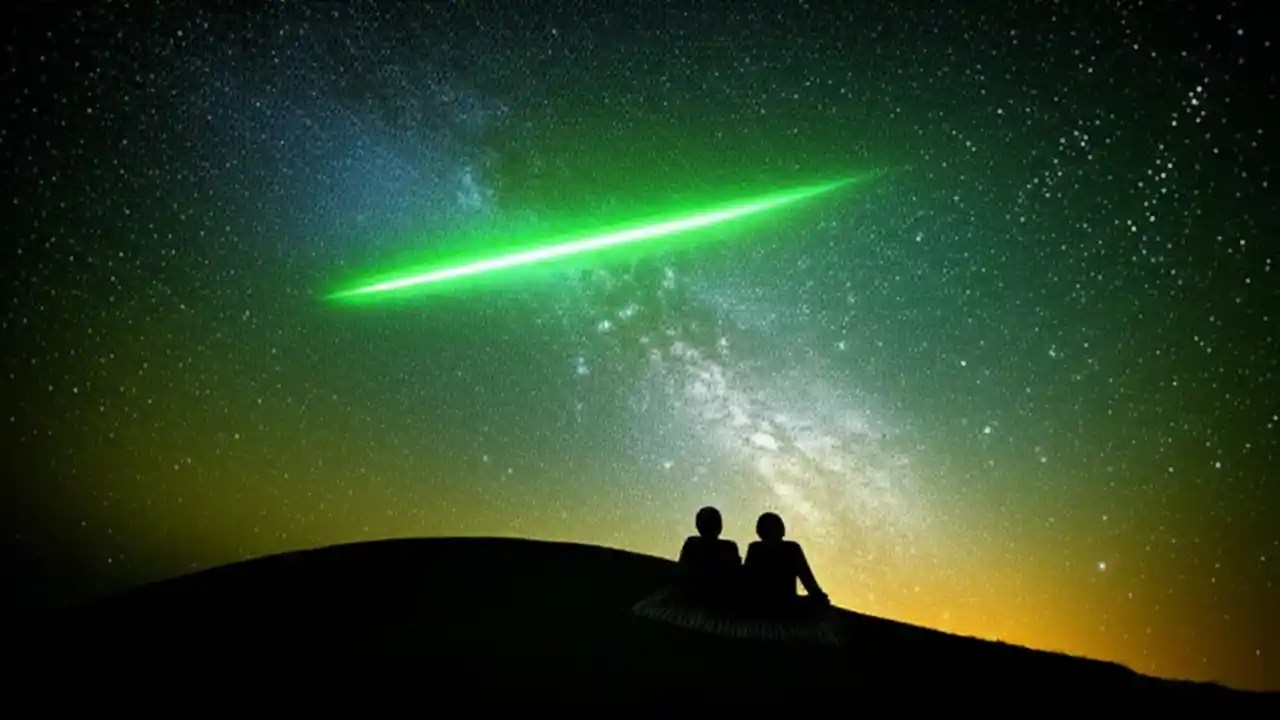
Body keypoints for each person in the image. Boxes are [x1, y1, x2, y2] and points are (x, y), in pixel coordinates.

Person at [742, 512, 829, 616]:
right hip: (782, 604)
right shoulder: (791, 548)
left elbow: (746, 579)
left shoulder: (755, 548)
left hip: (764, 603)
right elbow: (807, 579)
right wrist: (818, 596)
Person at [676, 506, 742, 606]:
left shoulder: (691, 543)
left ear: (698, 525)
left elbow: (682, 571)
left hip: (693, 597)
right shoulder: (730, 547)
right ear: (720, 526)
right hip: (722, 600)